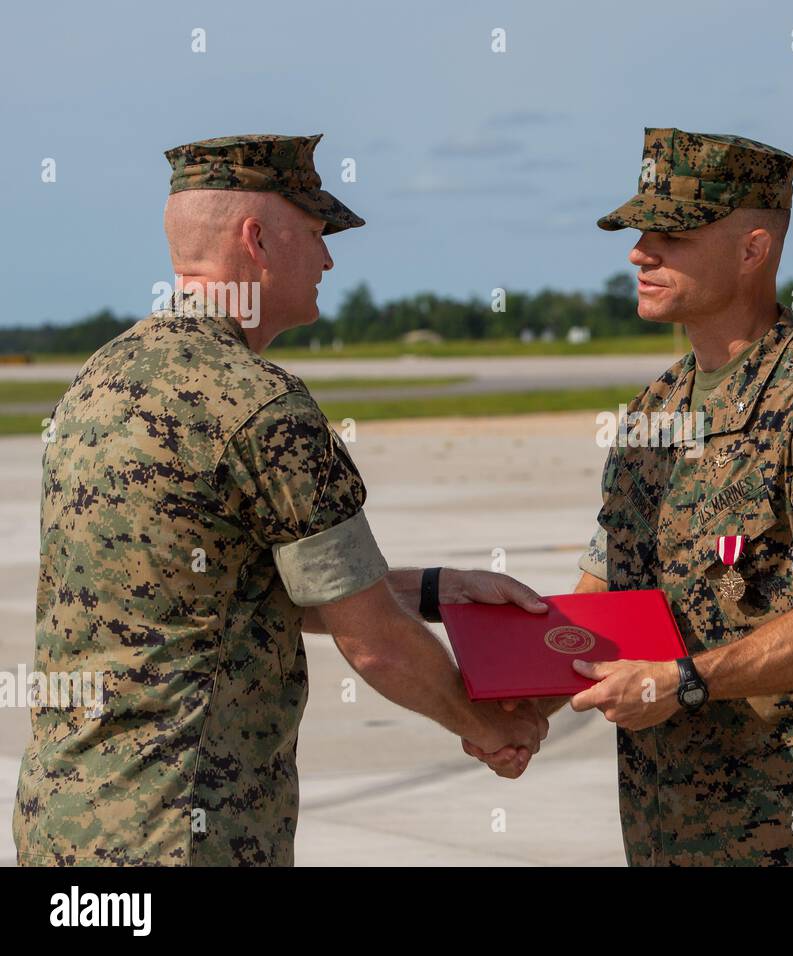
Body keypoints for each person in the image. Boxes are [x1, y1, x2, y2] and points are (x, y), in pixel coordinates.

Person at [13, 134, 548, 867]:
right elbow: (374, 643)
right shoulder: (261, 406)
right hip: (190, 830)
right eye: (316, 235)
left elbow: (225, 588)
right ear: (257, 240)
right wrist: (482, 724)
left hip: (67, 825)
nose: (328, 259)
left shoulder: (96, 384)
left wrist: (439, 588)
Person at [471, 127, 793, 865]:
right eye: (641, 232)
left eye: (671, 234)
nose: (640, 252)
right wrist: (526, 708)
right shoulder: (655, 411)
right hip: (669, 826)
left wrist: (681, 682)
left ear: (752, 250)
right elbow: (606, 592)